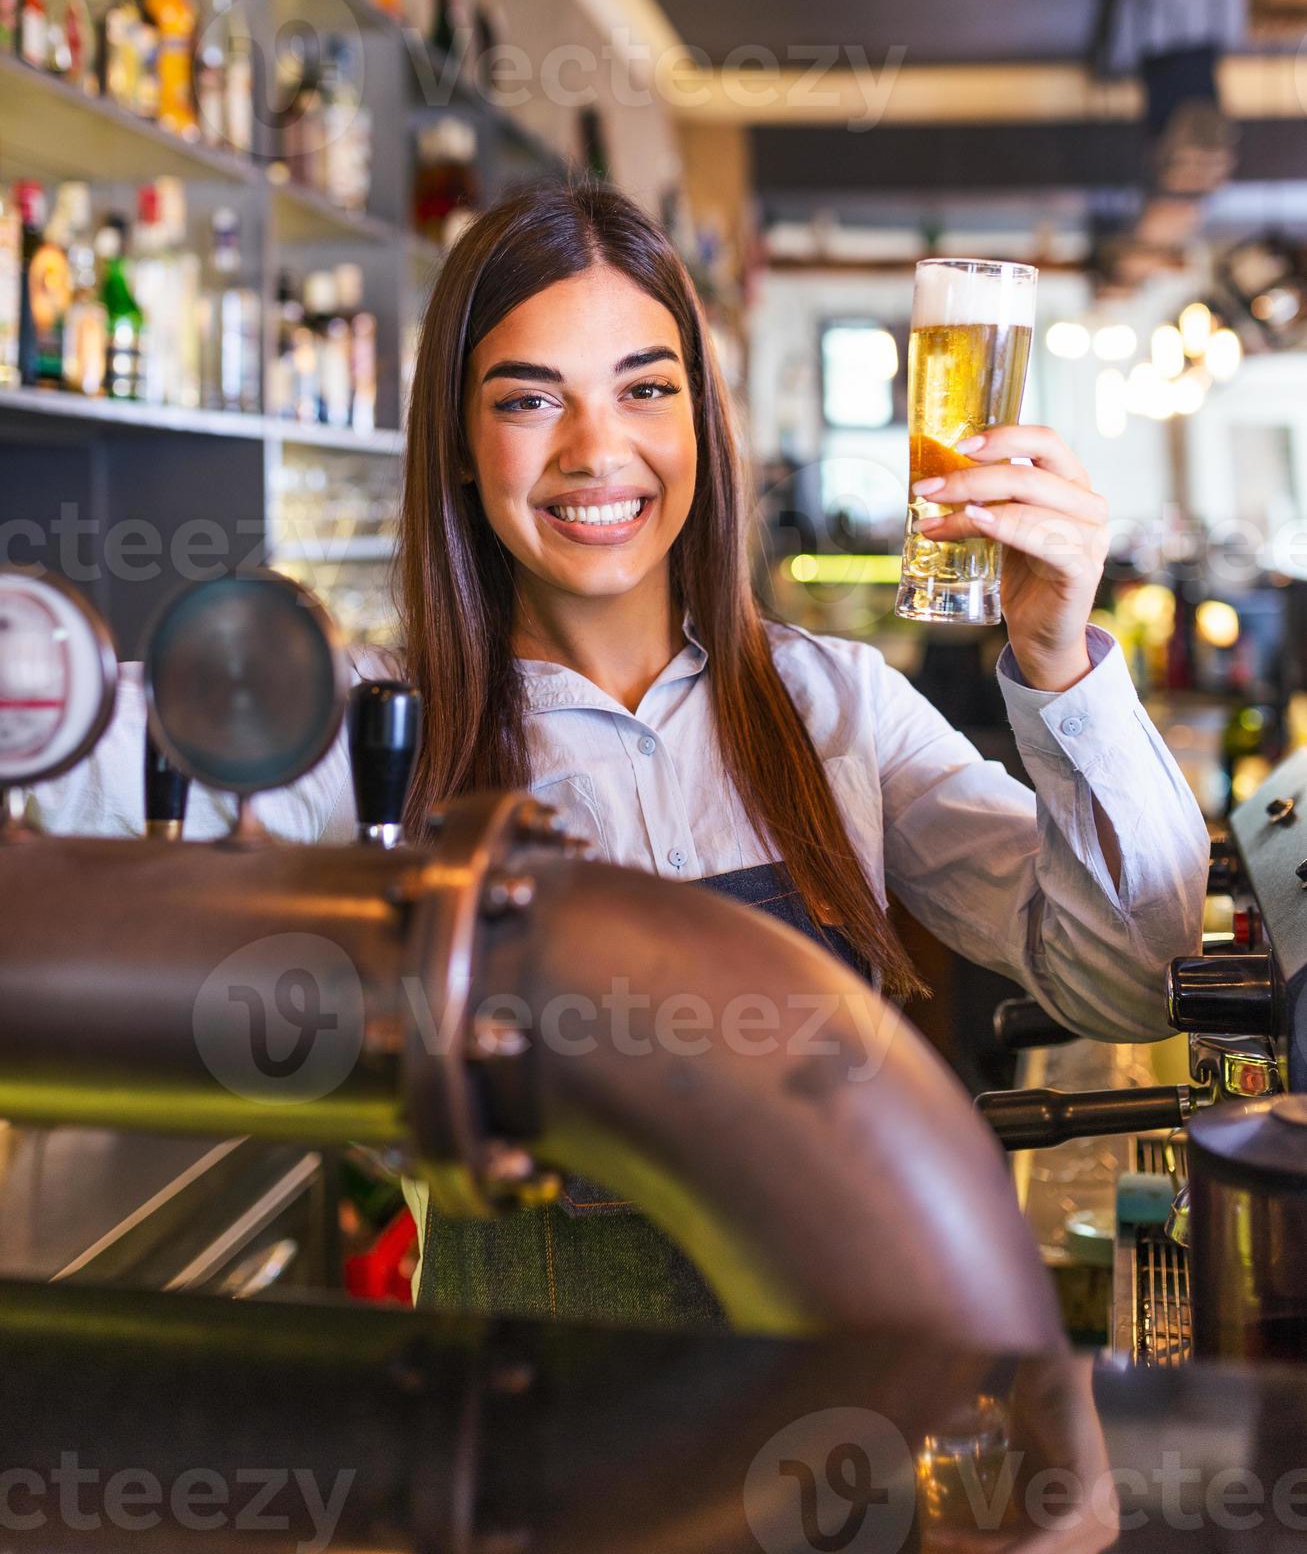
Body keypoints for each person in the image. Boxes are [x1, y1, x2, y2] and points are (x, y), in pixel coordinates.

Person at [29, 181, 1208, 1326]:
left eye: (644, 388)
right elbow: (69, 732)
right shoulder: (361, 720)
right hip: (525, 1457)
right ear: (453, 440)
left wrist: (1058, 656)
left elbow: (1126, 978)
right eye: (529, 399)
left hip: (828, 1440)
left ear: (701, 417)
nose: (598, 451)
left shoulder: (827, 700)